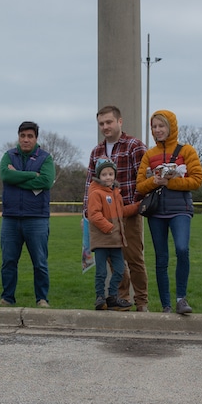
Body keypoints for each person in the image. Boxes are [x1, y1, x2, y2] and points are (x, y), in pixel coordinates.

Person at [136, 109, 202, 315]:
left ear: (171, 127)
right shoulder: (149, 155)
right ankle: (166, 305)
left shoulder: (187, 151)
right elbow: (140, 186)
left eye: (161, 126)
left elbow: (197, 180)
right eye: (154, 127)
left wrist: (171, 182)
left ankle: (181, 299)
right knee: (161, 258)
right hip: (156, 212)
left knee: (182, 249)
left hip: (180, 210)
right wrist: (153, 181)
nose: (157, 130)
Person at [84, 105, 149, 311]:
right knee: (114, 262)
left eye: (109, 122)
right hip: (105, 216)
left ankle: (141, 302)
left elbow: (143, 178)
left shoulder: (134, 146)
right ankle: (120, 299)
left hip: (128, 212)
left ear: (120, 122)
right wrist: (87, 212)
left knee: (135, 259)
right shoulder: (97, 151)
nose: (105, 126)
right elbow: (89, 183)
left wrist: (138, 205)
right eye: (101, 123)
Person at [0, 120, 55, 308]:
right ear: (18, 137)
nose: (25, 140)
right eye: (22, 136)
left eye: (30, 136)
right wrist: (32, 175)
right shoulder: (8, 155)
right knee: (8, 261)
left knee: (39, 262)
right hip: (10, 218)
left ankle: (42, 299)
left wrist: (18, 177)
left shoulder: (45, 158)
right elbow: (6, 176)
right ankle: (7, 297)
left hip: (36, 218)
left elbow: (46, 182)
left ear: (36, 138)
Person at [87, 159, 138, 311]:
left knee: (120, 269)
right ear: (98, 176)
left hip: (116, 241)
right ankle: (100, 297)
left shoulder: (116, 194)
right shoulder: (96, 193)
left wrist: (138, 207)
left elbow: (121, 212)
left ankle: (112, 297)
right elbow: (94, 215)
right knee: (101, 271)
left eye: (110, 174)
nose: (108, 177)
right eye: (104, 174)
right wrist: (109, 228)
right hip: (102, 240)